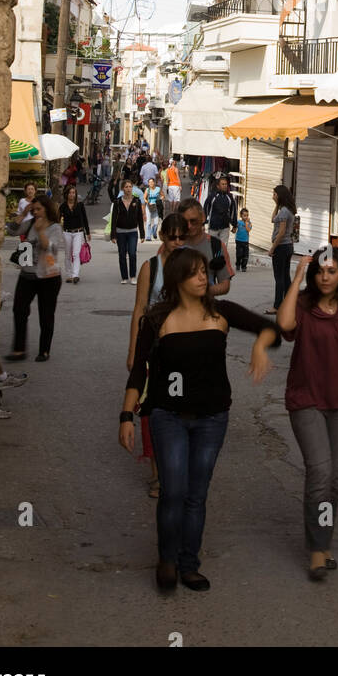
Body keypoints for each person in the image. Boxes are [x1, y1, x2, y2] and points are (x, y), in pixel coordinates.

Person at [120, 247, 281, 591]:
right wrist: (125, 416)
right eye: (194, 273)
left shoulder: (220, 312)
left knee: (197, 494)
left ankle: (189, 563)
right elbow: (139, 373)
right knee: (173, 490)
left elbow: (271, 329)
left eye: (204, 272)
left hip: (212, 418)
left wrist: (259, 347)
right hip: (168, 416)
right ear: (178, 279)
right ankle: (167, 559)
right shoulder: (157, 319)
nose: (203, 277)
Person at [276, 246, 338, 580]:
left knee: (334, 479)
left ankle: (324, 541)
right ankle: (315, 549)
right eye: (320, 271)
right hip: (306, 398)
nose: (325, 277)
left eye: (332, 271)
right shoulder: (303, 303)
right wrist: (297, 277)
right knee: (320, 472)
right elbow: (284, 325)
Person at [127, 213, 187, 498]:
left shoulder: (191, 268)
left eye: (181, 237)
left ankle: (176, 466)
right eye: (171, 236)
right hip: (154, 351)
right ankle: (156, 473)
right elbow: (139, 310)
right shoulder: (150, 268)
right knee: (152, 412)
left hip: (184, 351)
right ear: (162, 236)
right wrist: (133, 352)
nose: (176, 242)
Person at [6, 194, 69, 363]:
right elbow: (11, 230)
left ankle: (44, 350)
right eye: (34, 209)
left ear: (47, 209)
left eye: (39, 209)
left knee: (46, 314)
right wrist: (23, 213)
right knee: (19, 310)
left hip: (48, 277)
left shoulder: (55, 227)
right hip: (27, 275)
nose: (36, 212)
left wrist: (41, 231)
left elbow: (50, 247)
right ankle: (19, 349)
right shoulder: (30, 224)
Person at [178, 198, 234, 296]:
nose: (189, 226)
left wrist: (201, 292)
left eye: (193, 221)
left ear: (203, 217)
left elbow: (225, 285)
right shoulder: (173, 244)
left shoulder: (216, 245)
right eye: (184, 222)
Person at [267, 185, 296, 315]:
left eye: (274, 194)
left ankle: (277, 306)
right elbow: (273, 219)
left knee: (279, 277)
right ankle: (289, 303)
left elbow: (282, 232)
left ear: (279, 195)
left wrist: (273, 248)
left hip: (282, 247)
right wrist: (276, 205)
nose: (272, 196)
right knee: (285, 276)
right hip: (288, 246)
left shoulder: (284, 211)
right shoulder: (286, 210)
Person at [110, 179, 145, 284]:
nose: (128, 189)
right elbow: (114, 218)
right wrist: (113, 235)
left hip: (132, 232)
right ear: (122, 189)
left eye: (130, 187)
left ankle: (133, 276)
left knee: (132, 253)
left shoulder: (137, 201)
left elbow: (140, 218)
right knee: (122, 254)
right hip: (120, 232)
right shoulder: (117, 202)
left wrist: (142, 234)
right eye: (126, 187)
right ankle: (124, 277)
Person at [60, 181, 91, 283]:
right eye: (70, 193)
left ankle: (75, 275)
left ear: (76, 194)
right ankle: (69, 274)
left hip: (78, 232)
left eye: (73, 193)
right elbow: (57, 219)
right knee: (68, 254)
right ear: (66, 194)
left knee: (76, 254)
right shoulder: (63, 206)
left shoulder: (80, 205)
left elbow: (85, 219)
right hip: (67, 232)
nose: (72, 195)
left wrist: (88, 232)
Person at [204, 174, 237, 247]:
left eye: (226, 184)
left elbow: (233, 211)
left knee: (223, 248)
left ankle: (222, 258)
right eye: (223, 184)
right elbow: (206, 209)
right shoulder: (212, 197)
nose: (225, 186)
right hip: (213, 227)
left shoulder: (230, 197)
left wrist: (234, 225)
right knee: (212, 247)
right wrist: (203, 223)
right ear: (218, 186)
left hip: (225, 227)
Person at [144, 176, 162, 240]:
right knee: (148, 222)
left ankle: (154, 232)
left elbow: (162, 196)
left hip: (156, 206)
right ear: (148, 183)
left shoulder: (158, 189)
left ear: (154, 182)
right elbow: (144, 198)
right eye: (149, 182)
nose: (151, 183)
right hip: (149, 207)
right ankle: (148, 236)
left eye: (152, 182)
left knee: (156, 223)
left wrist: (160, 199)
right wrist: (148, 202)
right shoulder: (147, 190)